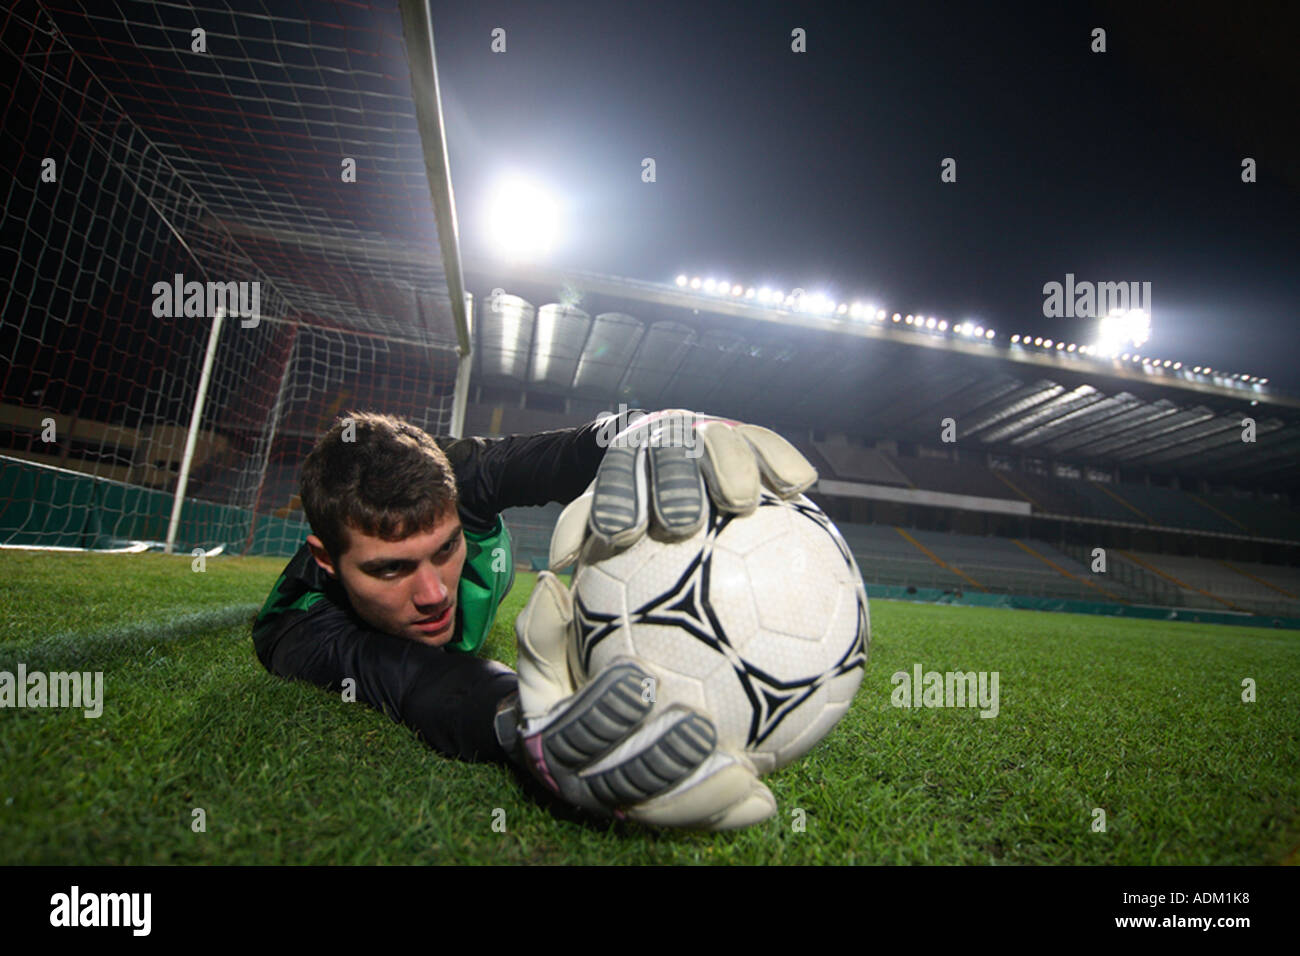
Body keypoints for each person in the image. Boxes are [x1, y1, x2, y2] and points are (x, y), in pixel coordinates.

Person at [251, 407, 817, 829]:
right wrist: (521, 719)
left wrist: (667, 429)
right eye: (390, 570)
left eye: (447, 549)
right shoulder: (301, 629)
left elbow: (570, 450)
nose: (432, 593)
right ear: (328, 559)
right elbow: (416, 681)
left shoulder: (458, 475)